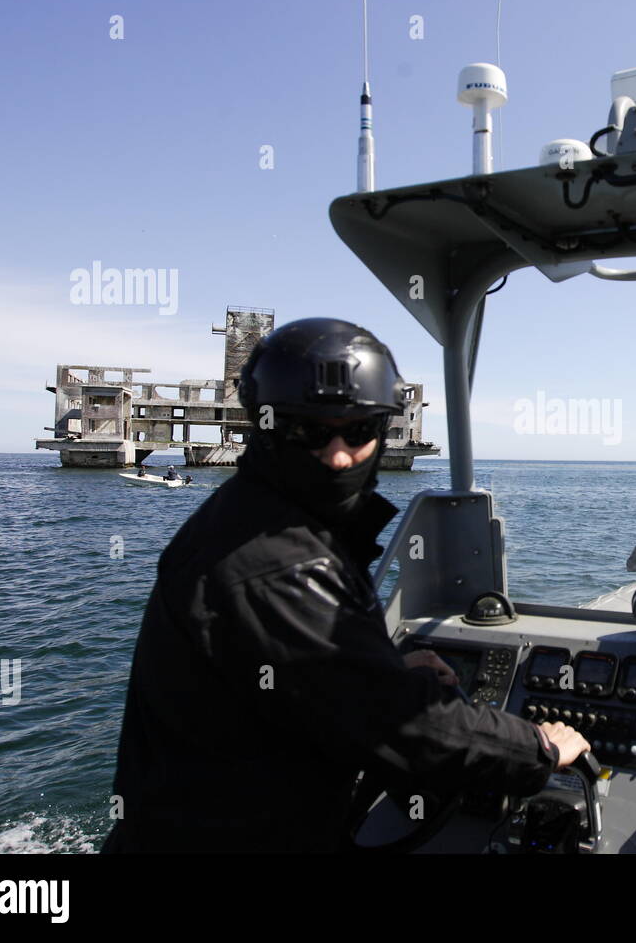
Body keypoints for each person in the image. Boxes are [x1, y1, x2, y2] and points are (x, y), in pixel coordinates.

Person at [103, 318, 589, 852]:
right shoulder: (279, 565)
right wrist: (538, 747)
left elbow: (301, 684)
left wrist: (377, 672)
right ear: (267, 428)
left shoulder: (262, 519)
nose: (338, 455)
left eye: (358, 431)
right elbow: (405, 726)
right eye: (309, 431)